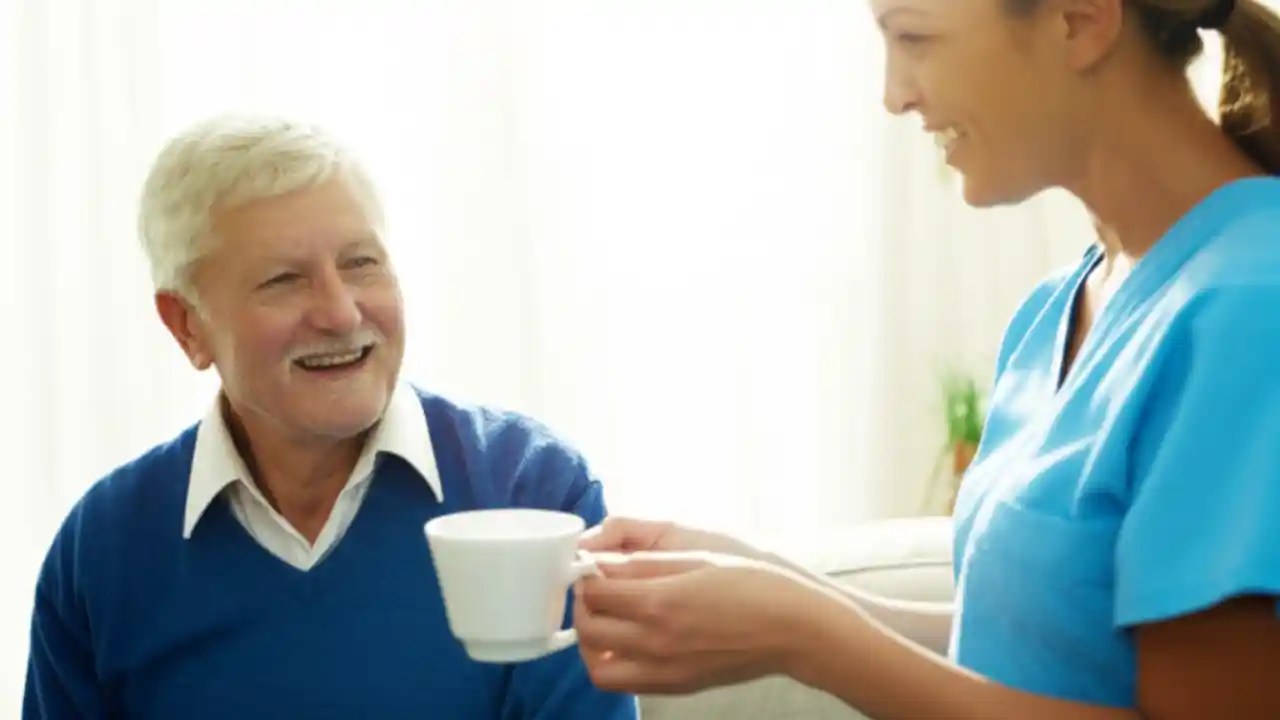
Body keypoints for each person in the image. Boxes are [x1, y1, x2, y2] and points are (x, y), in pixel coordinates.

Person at [573, 0, 1280, 717]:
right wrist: (769, 586)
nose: (895, 95)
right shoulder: (1056, 310)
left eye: (914, 37)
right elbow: (1036, 652)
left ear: (1080, 20)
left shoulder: (1251, 308)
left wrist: (803, 636)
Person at [23, 116, 637, 719]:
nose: (341, 314)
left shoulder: (530, 491)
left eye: (361, 263)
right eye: (284, 280)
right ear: (188, 325)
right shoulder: (102, 548)